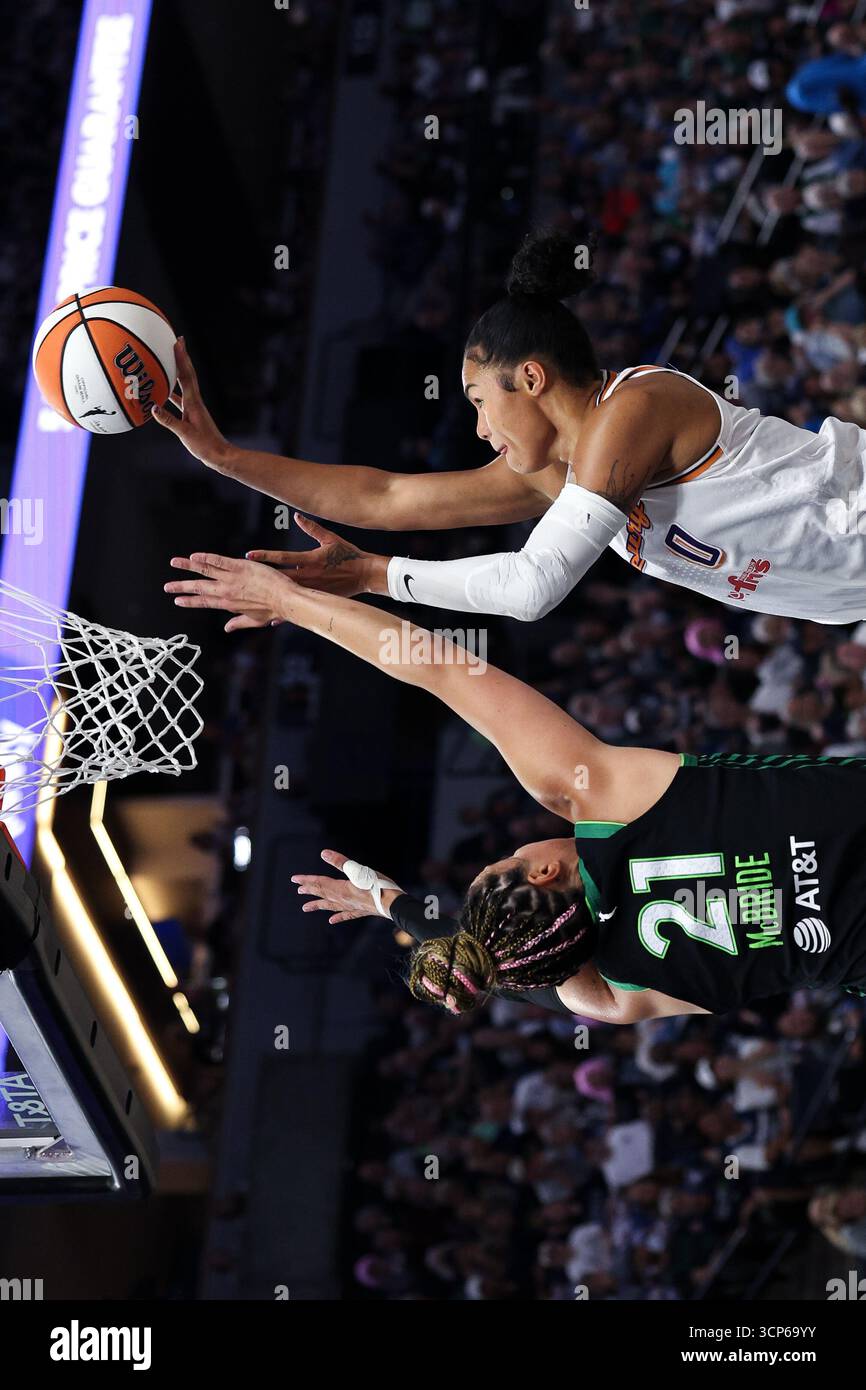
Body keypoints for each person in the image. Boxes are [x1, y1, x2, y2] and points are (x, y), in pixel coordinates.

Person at [164, 551, 866, 1021]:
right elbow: (437, 668)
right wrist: (291, 601)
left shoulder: (621, 991)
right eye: (507, 859)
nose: (520, 845)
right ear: (545, 870)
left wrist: (396, 910)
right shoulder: (603, 799)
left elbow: (506, 972)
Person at [154, 226, 866, 625]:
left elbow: (532, 587)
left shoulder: (635, 410)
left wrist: (375, 573)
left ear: (530, 378)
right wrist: (224, 458)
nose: (480, 429)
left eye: (477, 400)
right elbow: (384, 498)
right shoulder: (557, 474)